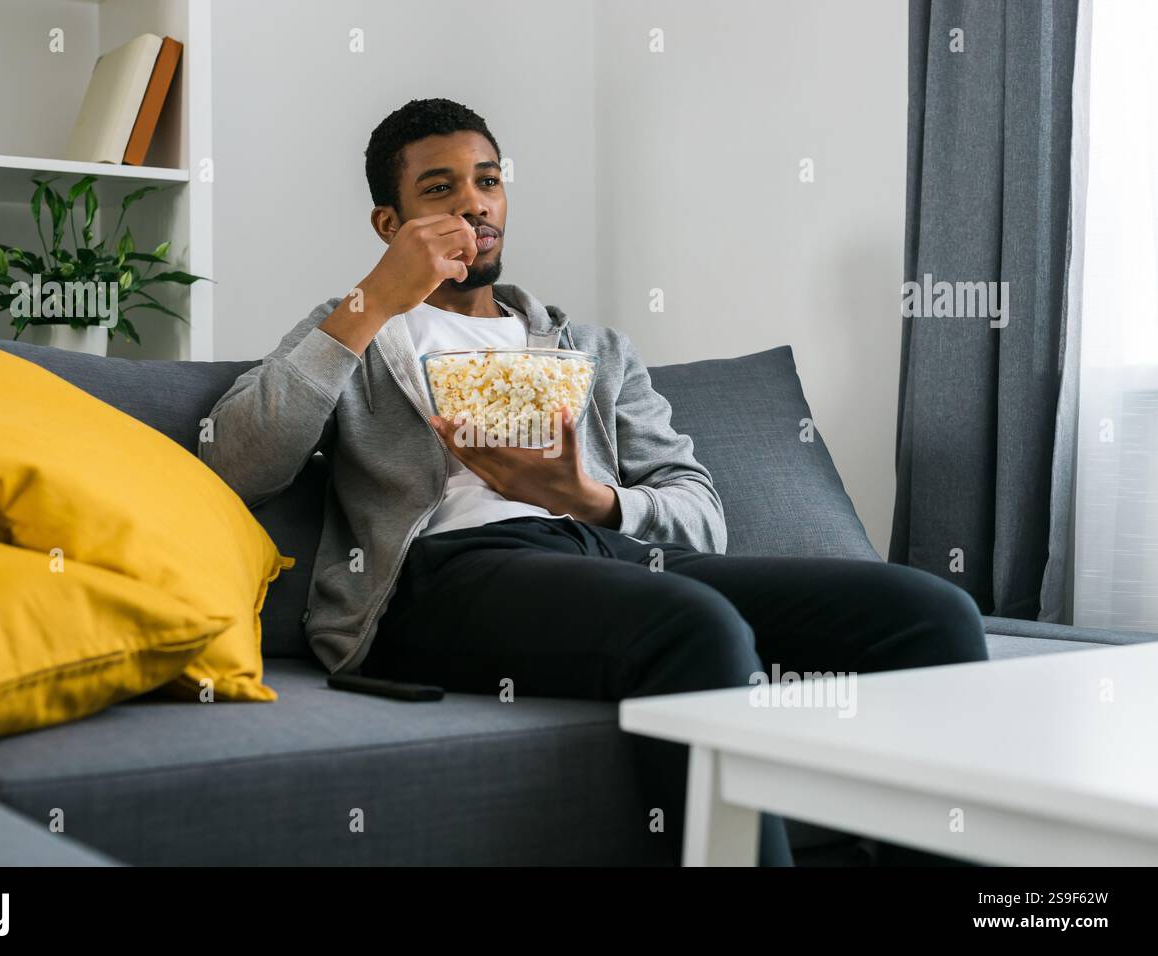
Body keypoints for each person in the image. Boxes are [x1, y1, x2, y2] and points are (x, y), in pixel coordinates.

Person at [199, 97, 989, 866]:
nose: (474, 204)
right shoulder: (357, 332)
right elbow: (237, 464)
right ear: (388, 224)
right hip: (446, 577)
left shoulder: (595, 348)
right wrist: (372, 299)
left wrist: (590, 499)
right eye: (440, 189)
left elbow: (700, 514)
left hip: (606, 552)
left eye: (488, 180)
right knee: (696, 628)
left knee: (929, 611)